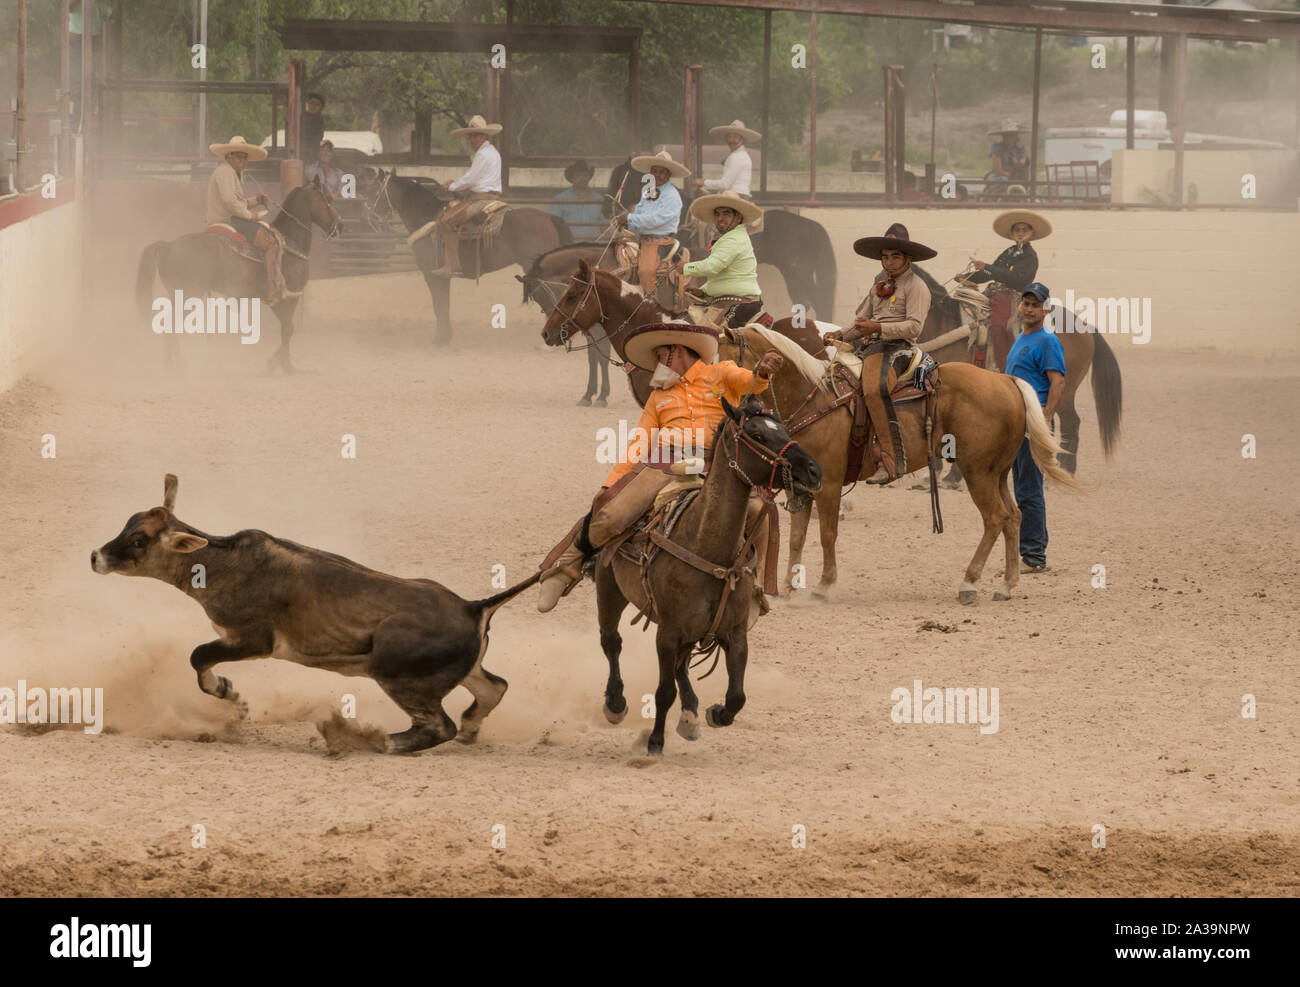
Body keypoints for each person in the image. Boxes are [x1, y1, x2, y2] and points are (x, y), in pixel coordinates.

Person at [536, 323, 783, 612]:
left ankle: (752, 584)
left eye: (659, 355)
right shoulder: (658, 396)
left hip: (718, 463)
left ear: (676, 352)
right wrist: (613, 483)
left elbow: (750, 383)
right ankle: (566, 567)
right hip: (667, 463)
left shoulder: (721, 372)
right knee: (613, 513)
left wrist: (762, 372)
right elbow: (640, 440)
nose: (655, 364)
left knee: (759, 512)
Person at [822, 223, 935, 483]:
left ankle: (891, 458)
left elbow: (915, 327)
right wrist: (839, 335)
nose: (889, 261)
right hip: (871, 347)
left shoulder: (917, 286)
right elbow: (861, 322)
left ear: (907, 258)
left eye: (895, 256)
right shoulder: (879, 286)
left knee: (874, 389)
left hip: (898, 349)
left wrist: (878, 328)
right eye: (885, 256)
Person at [1003, 282, 1066, 573]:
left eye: (1035, 305)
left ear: (1046, 309)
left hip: (1033, 419)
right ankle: (1023, 552)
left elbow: (1057, 381)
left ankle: (1034, 556)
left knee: (1029, 488)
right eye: (1025, 303)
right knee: (1019, 484)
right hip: (1016, 419)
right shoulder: (1022, 337)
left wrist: (1046, 417)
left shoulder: (1047, 341)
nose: (1029, 309)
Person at [963, 209, 1051, 369]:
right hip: (994, 295)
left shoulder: (1030, 256)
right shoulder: (1008, 252)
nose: (1020, 233)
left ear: (1031, 233)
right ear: (1012, 233)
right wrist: (968, 277)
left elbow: (1016, 278)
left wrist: (988, 267)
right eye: (1017, 230)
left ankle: (1004, 368)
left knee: (999, 325)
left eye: (1024, 230)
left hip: (1011, 298)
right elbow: (990, 273)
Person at [205, 136, 286, 304]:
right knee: (270, 241)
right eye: (238, 156)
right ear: (229, 156)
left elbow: (237, 202)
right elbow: (229, 202)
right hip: (229, 220)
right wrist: (252, 215)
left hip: (231, 217)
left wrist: (256, 201)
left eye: (244, 157)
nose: (242, 160)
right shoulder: (225, 172)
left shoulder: (229, 172)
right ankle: (273, 289)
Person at [429, 114, 503, 278]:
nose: (472, 138)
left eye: (475, 134)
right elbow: (474, 177)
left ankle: (452, 266)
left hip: (481, 199)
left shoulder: (483, 155)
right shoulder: (491, 152)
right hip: (490, 196)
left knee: (447, 221)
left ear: (484, 135)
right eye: (470, 135)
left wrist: (452, 186)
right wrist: (454, 181)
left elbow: (471, 179)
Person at [680, 190, 763, 330]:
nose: (720, 218)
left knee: (705, 336)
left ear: (738, 217)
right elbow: (722, 276)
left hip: (737, 304)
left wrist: (686, 268)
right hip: (726, 302)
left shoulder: (733, 239)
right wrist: (704, 292)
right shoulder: (731, 237)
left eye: (726, 213)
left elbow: (712, 266)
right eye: (717, 214)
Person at [616, 150, 689, 305]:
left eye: (662, 172)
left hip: (659, 242)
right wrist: (627, 223)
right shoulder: (648, 191)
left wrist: (629, 218)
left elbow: (657, 220)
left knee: (645, 271)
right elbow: (641, 211)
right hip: (643, 238)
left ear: (668, 174)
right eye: (654, 171)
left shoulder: (672, 195)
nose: (657, 175)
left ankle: (651, 305)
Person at [694, 119, 758, 198]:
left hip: (736, 198)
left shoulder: (738, 157)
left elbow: (725, 184)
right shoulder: (738, 155)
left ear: (742, 139)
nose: (731, 140)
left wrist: (703, 182)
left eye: (735, 137)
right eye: (730, 137)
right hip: (732, 196)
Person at [550, 159, 607, 242]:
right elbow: (552, 224)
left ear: (589, 178)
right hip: (569, 246)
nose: (581, 178)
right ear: (572, 178)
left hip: (593, 246)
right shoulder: (560, 199)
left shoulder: (599, 199)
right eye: (578, 175)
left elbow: (607, 225)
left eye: (585, 175)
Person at [987, 120, 1030, 184]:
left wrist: (1016, 175)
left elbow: (1020, 168)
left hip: (1017, 177)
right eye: (1005, 135)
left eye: (1011, 135)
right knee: (1002, 182)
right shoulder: (997, 147)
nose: (1008, 138)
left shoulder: (1022, 149)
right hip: (1000, 176)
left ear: (1016, 136)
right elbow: (997, 170)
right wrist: (1011, 176)